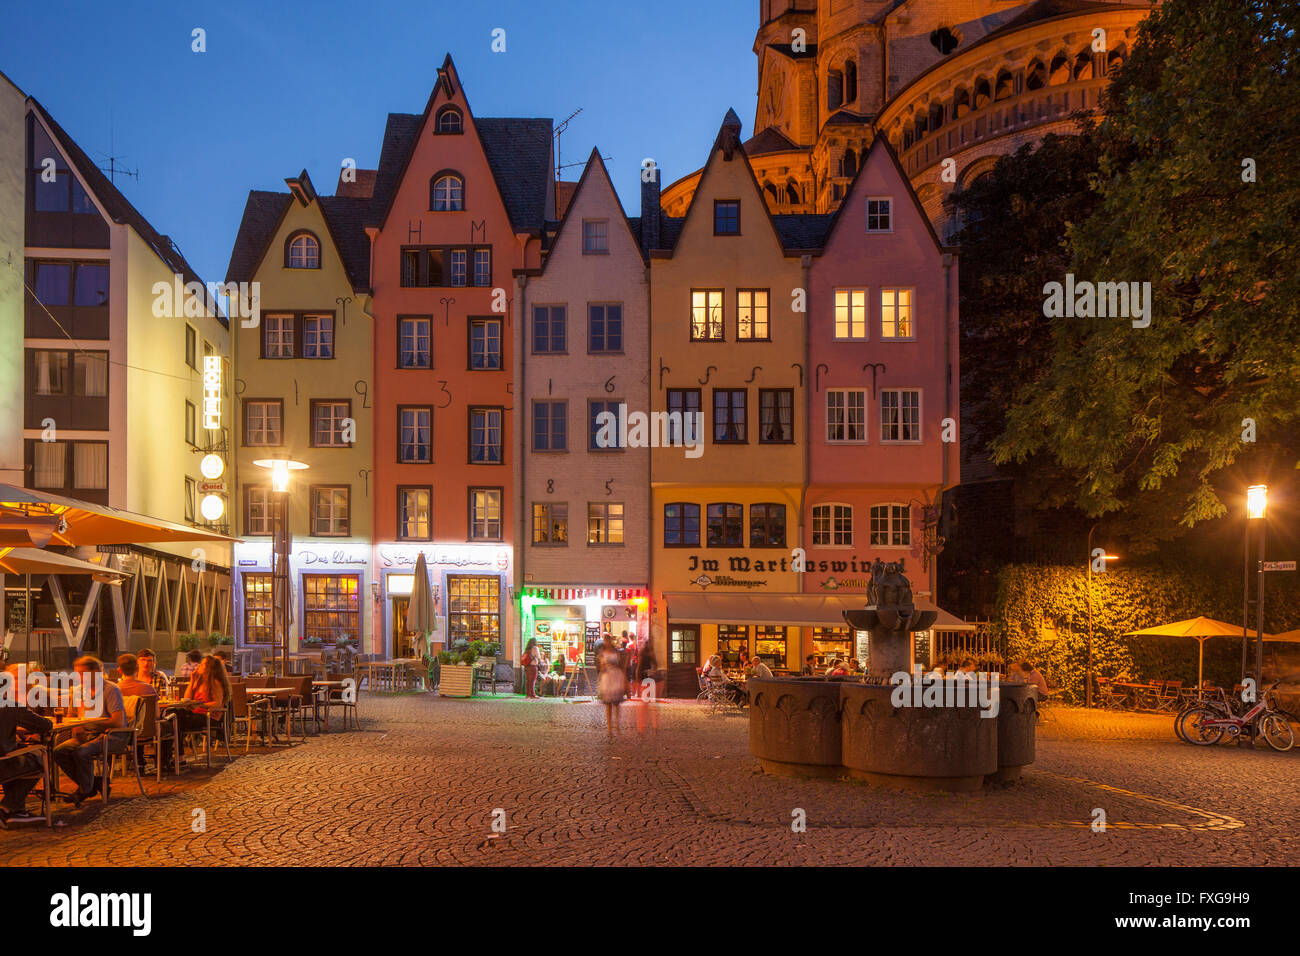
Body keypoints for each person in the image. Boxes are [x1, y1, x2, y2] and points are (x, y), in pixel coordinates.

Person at [53, 655, 128, 807]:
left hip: (112, 736)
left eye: (82, 674)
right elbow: (72, 715)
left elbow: (118, 722)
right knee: (59, 751)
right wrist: (75, 726)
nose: (79, 678)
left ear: (95, 672)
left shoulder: (111, 690)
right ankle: (95, 783)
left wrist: (91, 723)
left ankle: (85, 789)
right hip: (87, 735)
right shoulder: (78, 691)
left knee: (82, 752)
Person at [0, 665, 53, 826]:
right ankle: (7, 806)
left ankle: (16, 810)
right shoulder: (10, 705)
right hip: (3, 763)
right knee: (38, 761)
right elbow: (45, 725)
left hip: (6, 756)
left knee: (17, 753)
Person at [596, 635, 627, 738]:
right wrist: (603, 666)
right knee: (608, 704)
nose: (606, 642)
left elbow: (621, 664)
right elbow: (601, 667)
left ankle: (617, 726)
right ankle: (609, 727)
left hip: (615, 677)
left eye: (607, 640)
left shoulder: (616, 652)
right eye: (605, 641)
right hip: (607, 678)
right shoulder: (602, 653)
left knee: (616, 704)